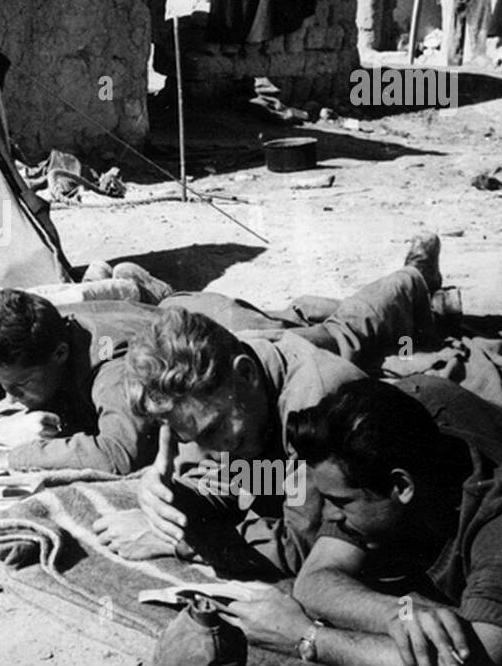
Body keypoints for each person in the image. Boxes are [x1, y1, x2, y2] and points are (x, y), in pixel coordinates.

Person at [94, 233, 446, 571]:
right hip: (266, 349)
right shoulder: (207, 406)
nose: (211, 450)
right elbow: (227, 480)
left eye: (214, 429)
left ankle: (415, 276)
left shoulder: (319, 403)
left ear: (245, 374)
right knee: (339, 332)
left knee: (345, 334)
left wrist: (184, 542)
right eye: (194, 438)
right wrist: (167, 499)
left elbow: (304, 543)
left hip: (296, 360)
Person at [219, 376, 502, 665]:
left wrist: (307, 638)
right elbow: (315, 580)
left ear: (401, 486)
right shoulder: (375, 473)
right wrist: (400, 611)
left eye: (340, 502)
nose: (330, 515)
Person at [0, 290, 162, 473]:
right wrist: (0, 428)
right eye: (2, 386)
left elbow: (117, 455)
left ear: (59, 354)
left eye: (21, 386)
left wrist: (0, 458)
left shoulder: (110, 366)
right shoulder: (10, 358)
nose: (9, 399)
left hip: (156, 319)